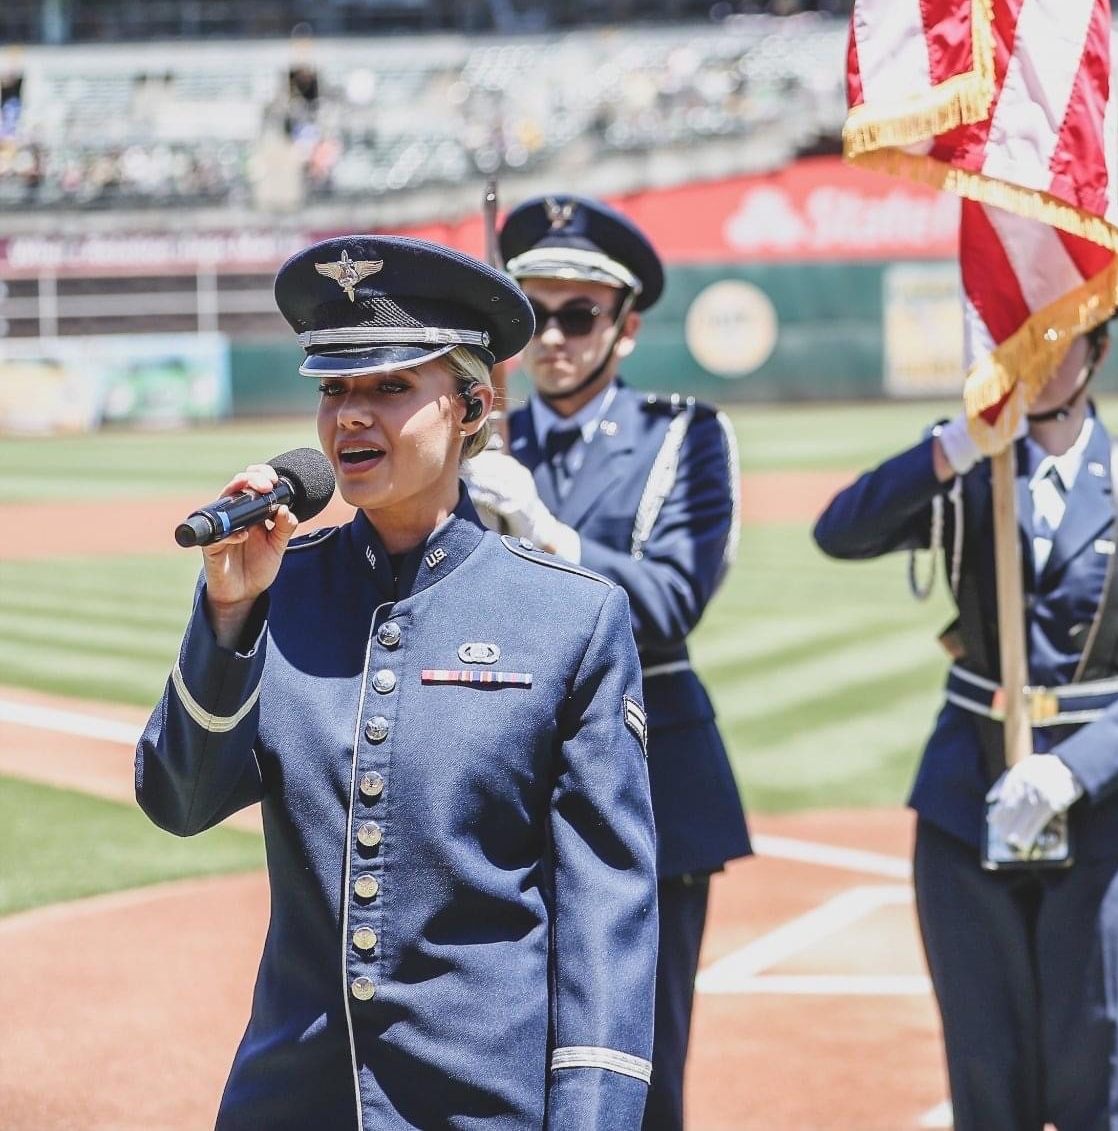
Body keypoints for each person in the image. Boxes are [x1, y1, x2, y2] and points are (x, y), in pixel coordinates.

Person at [135, 234, 658, 1129]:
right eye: (334, 388)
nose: (350, 418)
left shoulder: (570, 618)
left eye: (389, 387)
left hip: (480, 1105)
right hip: (290, 1100)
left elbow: (606, 911)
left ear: (469, 406)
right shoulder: (276, 588)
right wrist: (228, 616)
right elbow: (180, 802)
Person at [812, 291, 1118, 1131]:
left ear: (1099, 350)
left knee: (1097, 1076)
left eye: (1056, 339)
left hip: (1111, 816)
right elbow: (841, 531)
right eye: (1016, 339)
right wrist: (952, 446)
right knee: (985, 1077)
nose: (1034, 358)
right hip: (970, 797)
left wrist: (1075, 768)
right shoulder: (967, 472)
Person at [461, 194, 750, 1130]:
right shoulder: (479, 445)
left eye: (578, 315)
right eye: (533, 313)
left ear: (625, 329)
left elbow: (670, 602)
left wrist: (547, 533)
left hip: (651, 780)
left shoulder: (683, 436)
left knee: (636, 1070)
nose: (552, 336)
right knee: (504, 1060)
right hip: (507, 779)